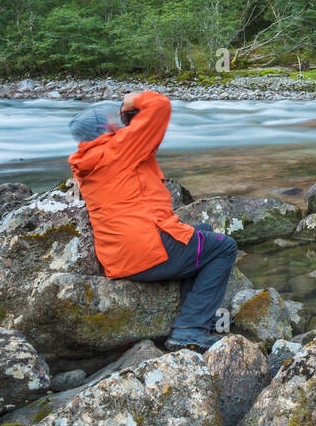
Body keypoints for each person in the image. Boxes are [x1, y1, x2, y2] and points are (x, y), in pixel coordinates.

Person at [68, 90, 236, 351]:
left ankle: (201, 315)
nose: (118, 121)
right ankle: (189, 330)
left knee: (202, 232)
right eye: (112, 119)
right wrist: (132, 100)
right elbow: (159, 105)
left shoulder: (89, 161)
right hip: (148, 252)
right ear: (105, 128)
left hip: (120, 258)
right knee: (224, 247)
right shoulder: (119, 147)